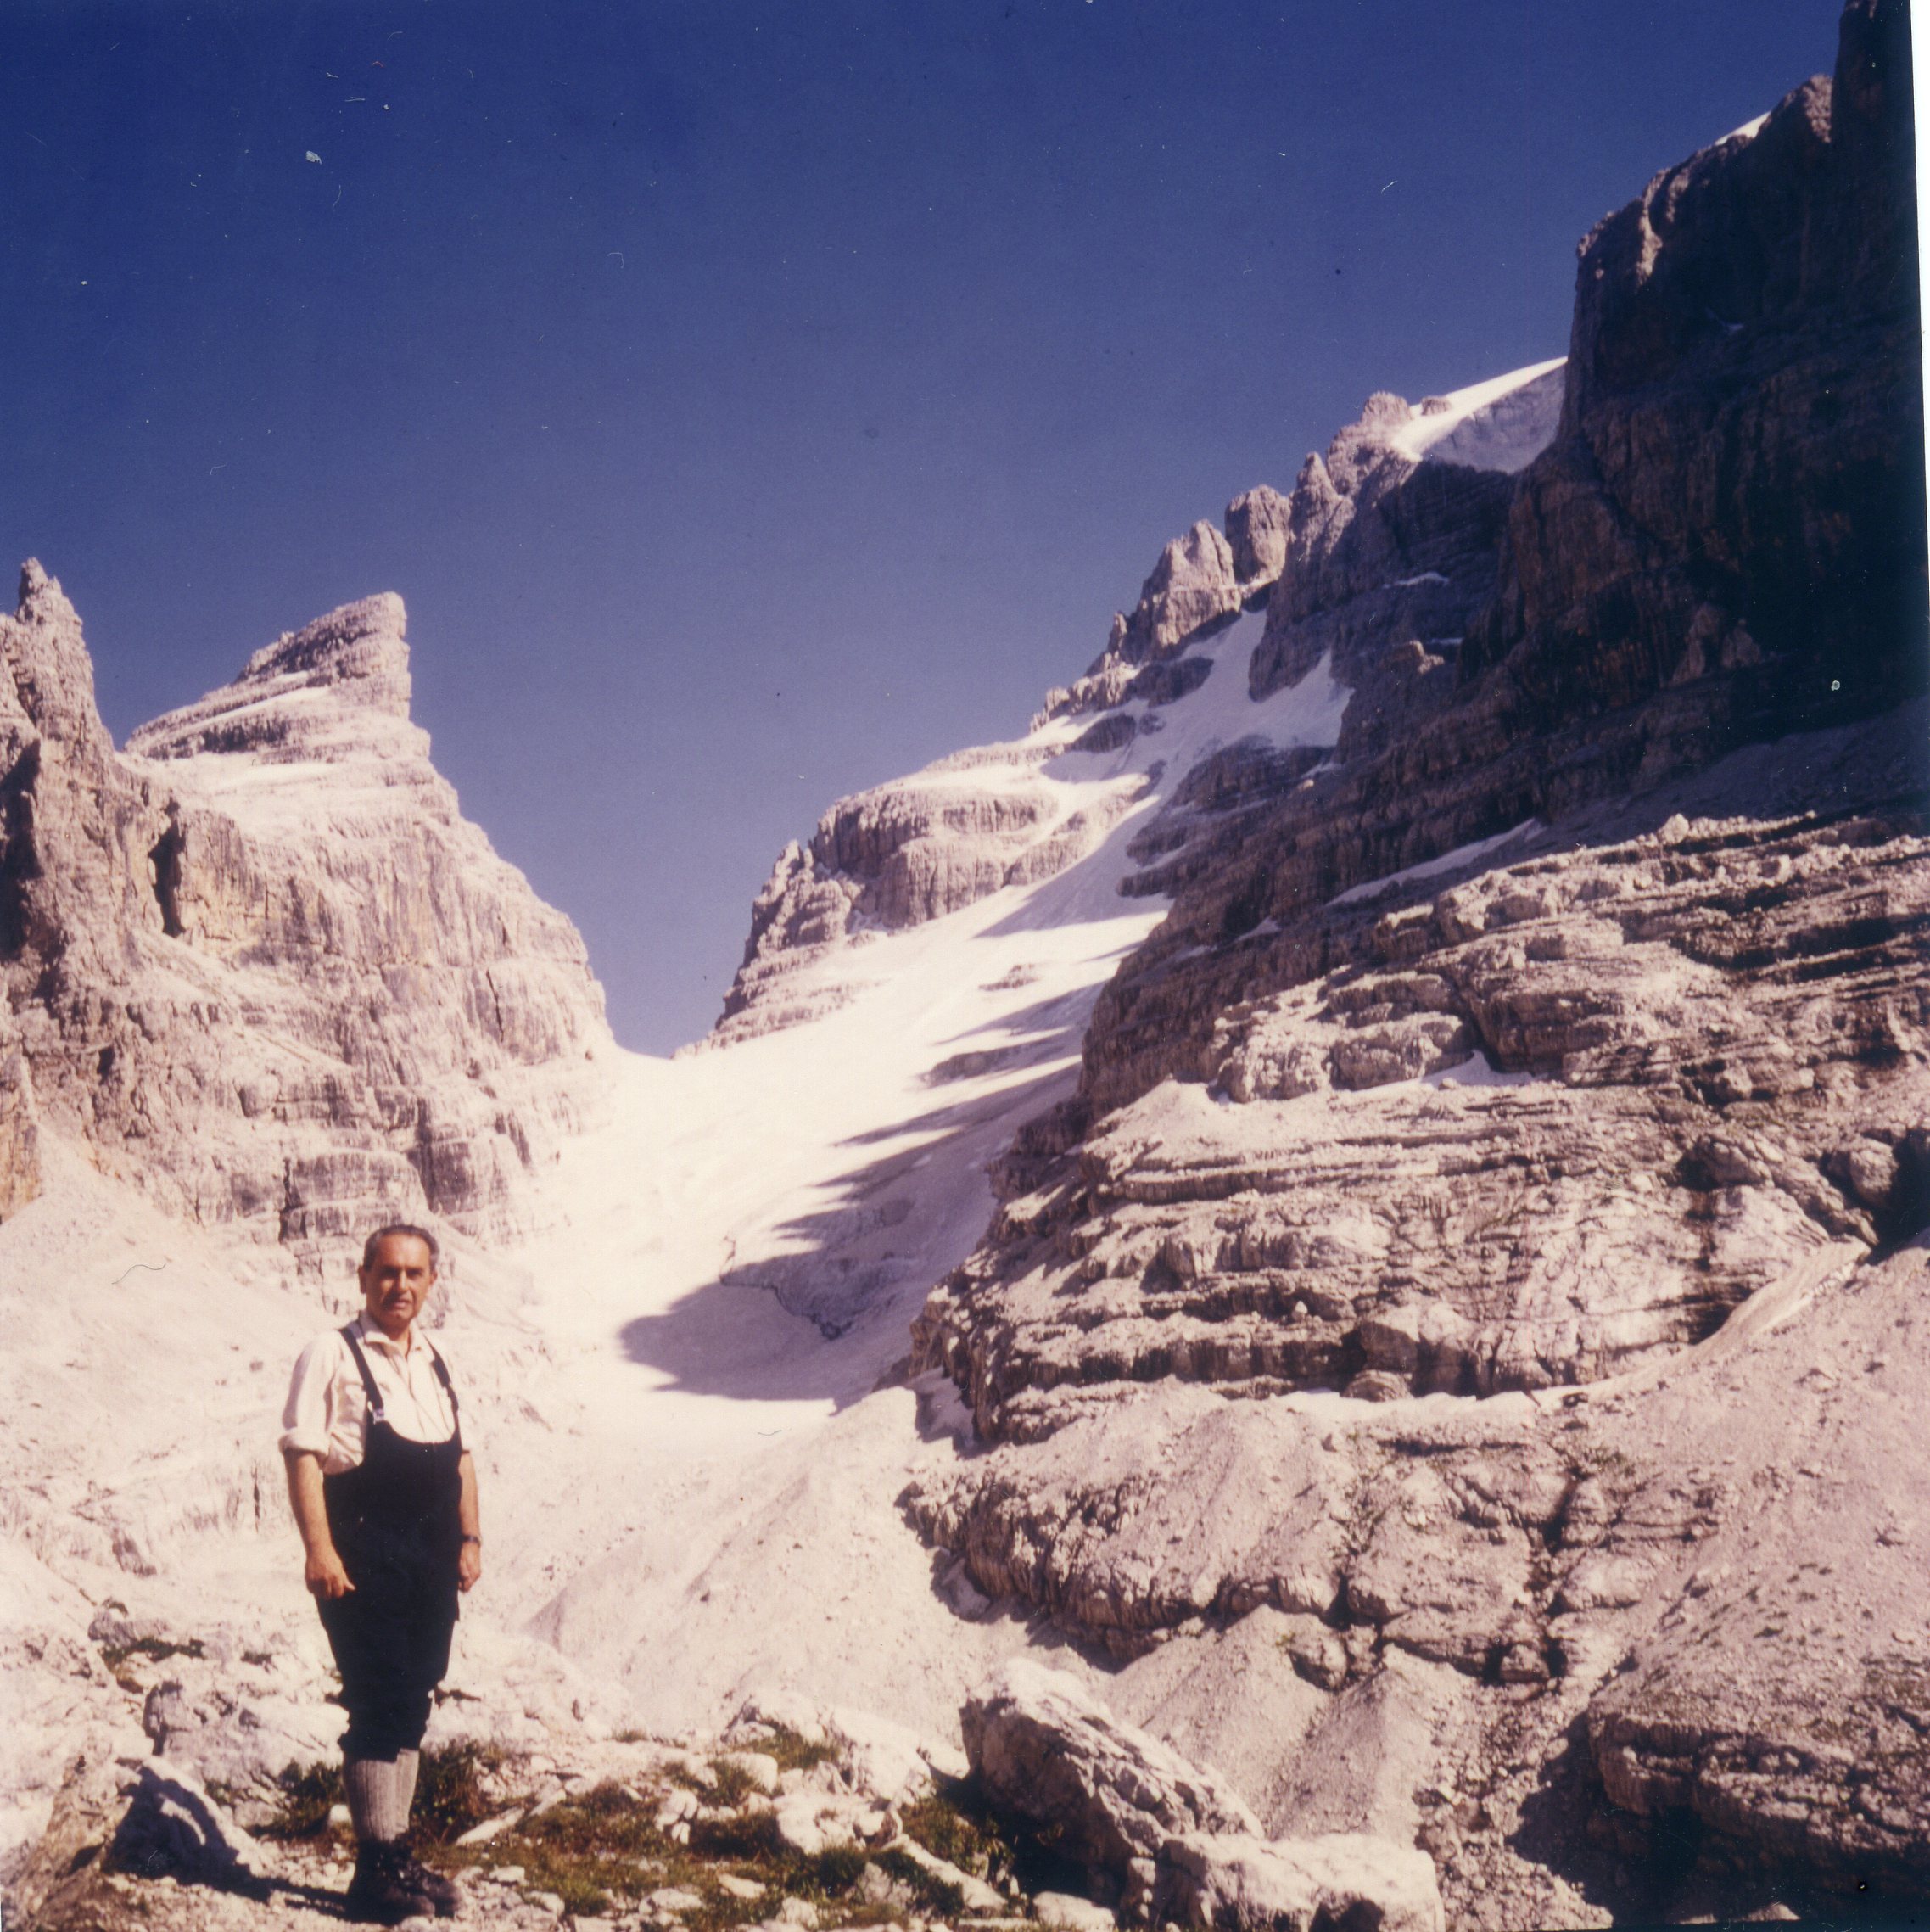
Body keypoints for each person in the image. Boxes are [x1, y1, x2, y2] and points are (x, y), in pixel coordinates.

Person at [281, 1224, 482, 1924]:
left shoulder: (436, 1360)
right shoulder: (330, 1352)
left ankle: (394, 1852)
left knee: (413, 1700)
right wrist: (319, 1548)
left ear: (431, 1282)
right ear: (363, 1276)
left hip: (428, 1565)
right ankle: (372, 1871)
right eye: (388, 1272)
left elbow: (460, 1459)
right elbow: (303, 1455)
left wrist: (470, 1538)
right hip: (361, 1560)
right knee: (376, 1700)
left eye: (414, 1273)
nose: (401, 1285)